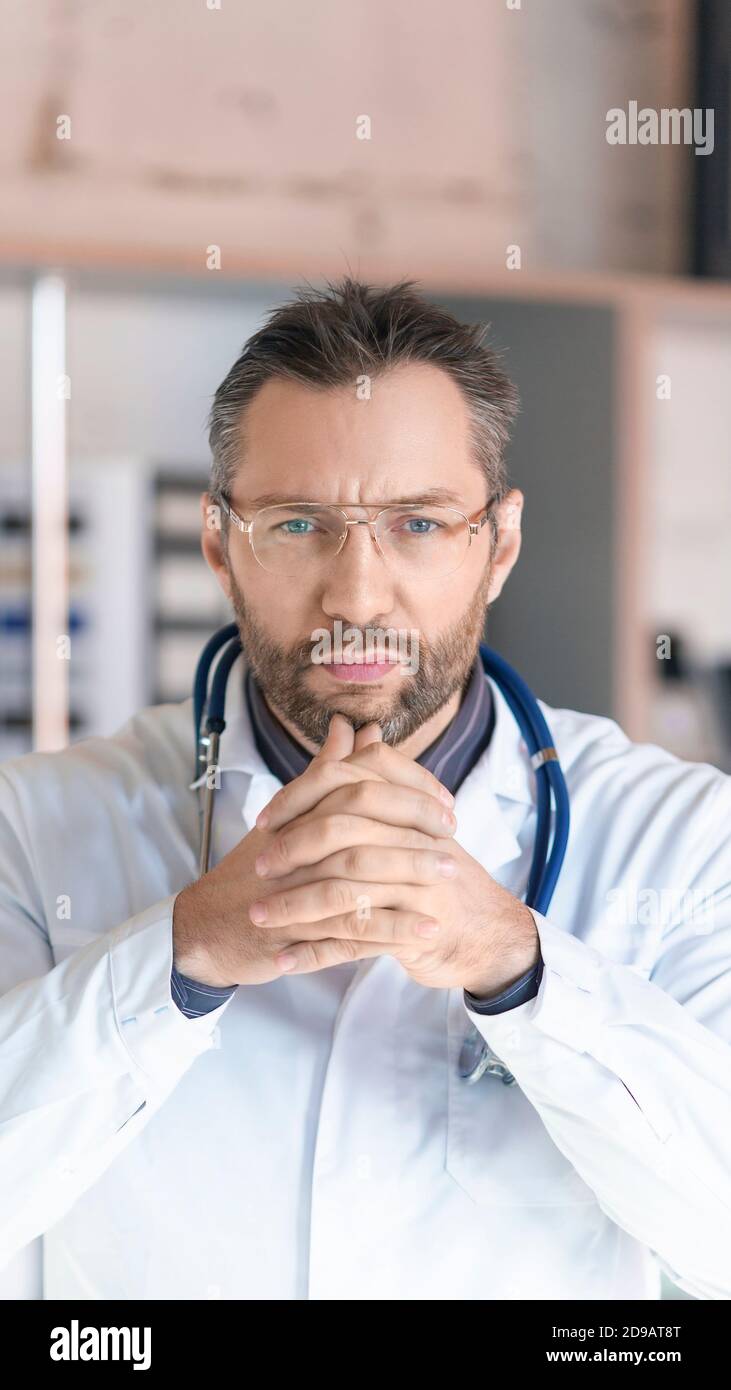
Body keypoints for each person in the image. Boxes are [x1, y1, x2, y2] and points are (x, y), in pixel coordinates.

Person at [0, 278, 729, 1301]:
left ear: (499, 543)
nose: (355, 592)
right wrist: (184, 957)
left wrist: (518, 970)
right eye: (298, 524)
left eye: (416, 524)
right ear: (219, 544)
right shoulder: (33, 830)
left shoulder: (682, 838)